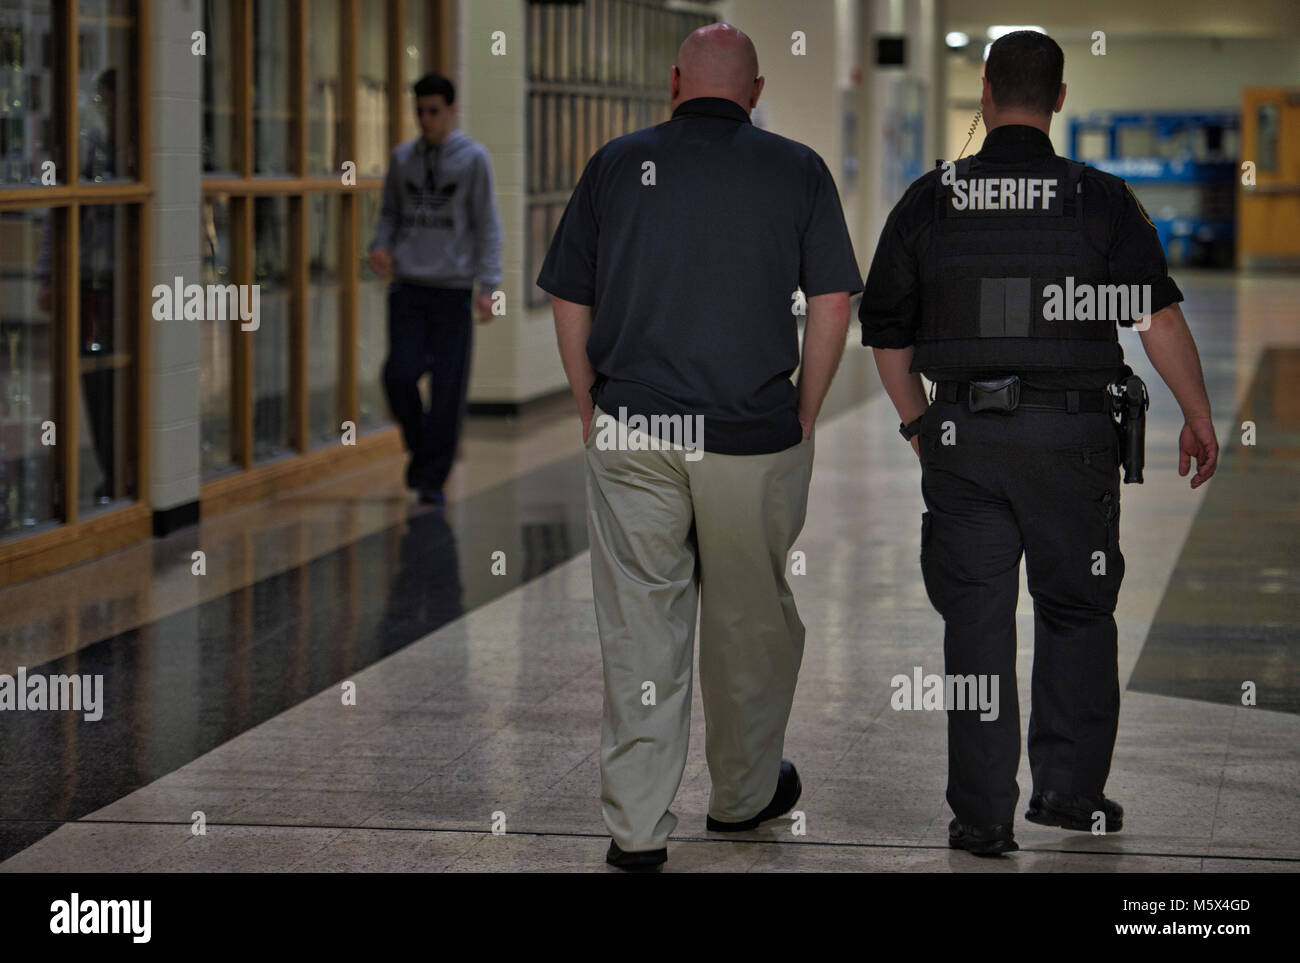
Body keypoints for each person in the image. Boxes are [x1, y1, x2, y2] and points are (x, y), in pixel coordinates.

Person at [861, 30, 1219, 855]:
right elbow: (1157, 318)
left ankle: (982, 816)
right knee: (1078, 611)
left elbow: (887, 336)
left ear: (983, 91)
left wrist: (920, 422)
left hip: (964, 443)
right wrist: (1197, 413)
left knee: (976, 623)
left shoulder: (928, 199)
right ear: (1059, 99)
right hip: (1072, 442)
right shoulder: (1099, 199)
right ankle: (1068, 792)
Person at [539, 23, 862, 871]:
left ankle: (639, 829)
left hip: (635, 428)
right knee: (749, 623)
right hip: (752, 438)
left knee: (642, 624)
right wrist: (805, 411)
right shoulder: (796, 169)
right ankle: (743, 797)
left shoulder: (616, 163)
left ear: (674, 83)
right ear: (755, 93)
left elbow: (570, 300)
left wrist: (588, 404)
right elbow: (833, 302)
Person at [368, 72, 502, 509]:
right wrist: (381, 245)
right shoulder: (403, 159)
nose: (425, 120)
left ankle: (431, 478)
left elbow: (488, 226)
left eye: (433, 111)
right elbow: (390, 214)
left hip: (453, 291)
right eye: (419, 111)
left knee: (447, 389)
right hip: (409, 288)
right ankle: (423, 450)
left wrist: (490, 286)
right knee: (399, 374)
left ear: (450, 110)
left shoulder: (473, 159)